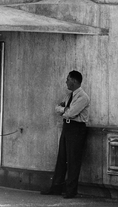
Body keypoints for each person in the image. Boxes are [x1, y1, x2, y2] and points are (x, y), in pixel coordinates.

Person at [41, 71, 90, 199]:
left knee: (73, 160)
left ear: (74, 81)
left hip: (77, 129)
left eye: (68, 79)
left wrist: (63, 110)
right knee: (61, 158)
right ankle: (56, 188)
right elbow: (58, 108)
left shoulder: (83, 97)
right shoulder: (69, 96)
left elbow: (71, 113)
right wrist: (64, 110)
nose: (66, 82)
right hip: (67, 127)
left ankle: (71, 191)